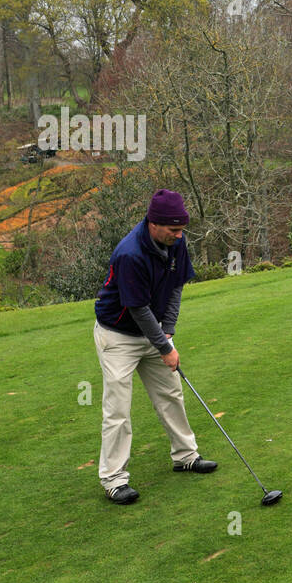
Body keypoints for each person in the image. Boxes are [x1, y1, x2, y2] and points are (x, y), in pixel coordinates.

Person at [92, 189, 216, 504]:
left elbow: (175, 287)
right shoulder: (129, 253)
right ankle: (114, 480)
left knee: (170, 393)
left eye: (181, 229)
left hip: (155, 331)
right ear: (154, 224)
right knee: (118, 409)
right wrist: (165, 347)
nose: (179, 234)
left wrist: (168, 332)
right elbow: (138, 309)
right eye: (173, 229)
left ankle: (186, 456)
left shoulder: (177, 242)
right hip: (118, 336)